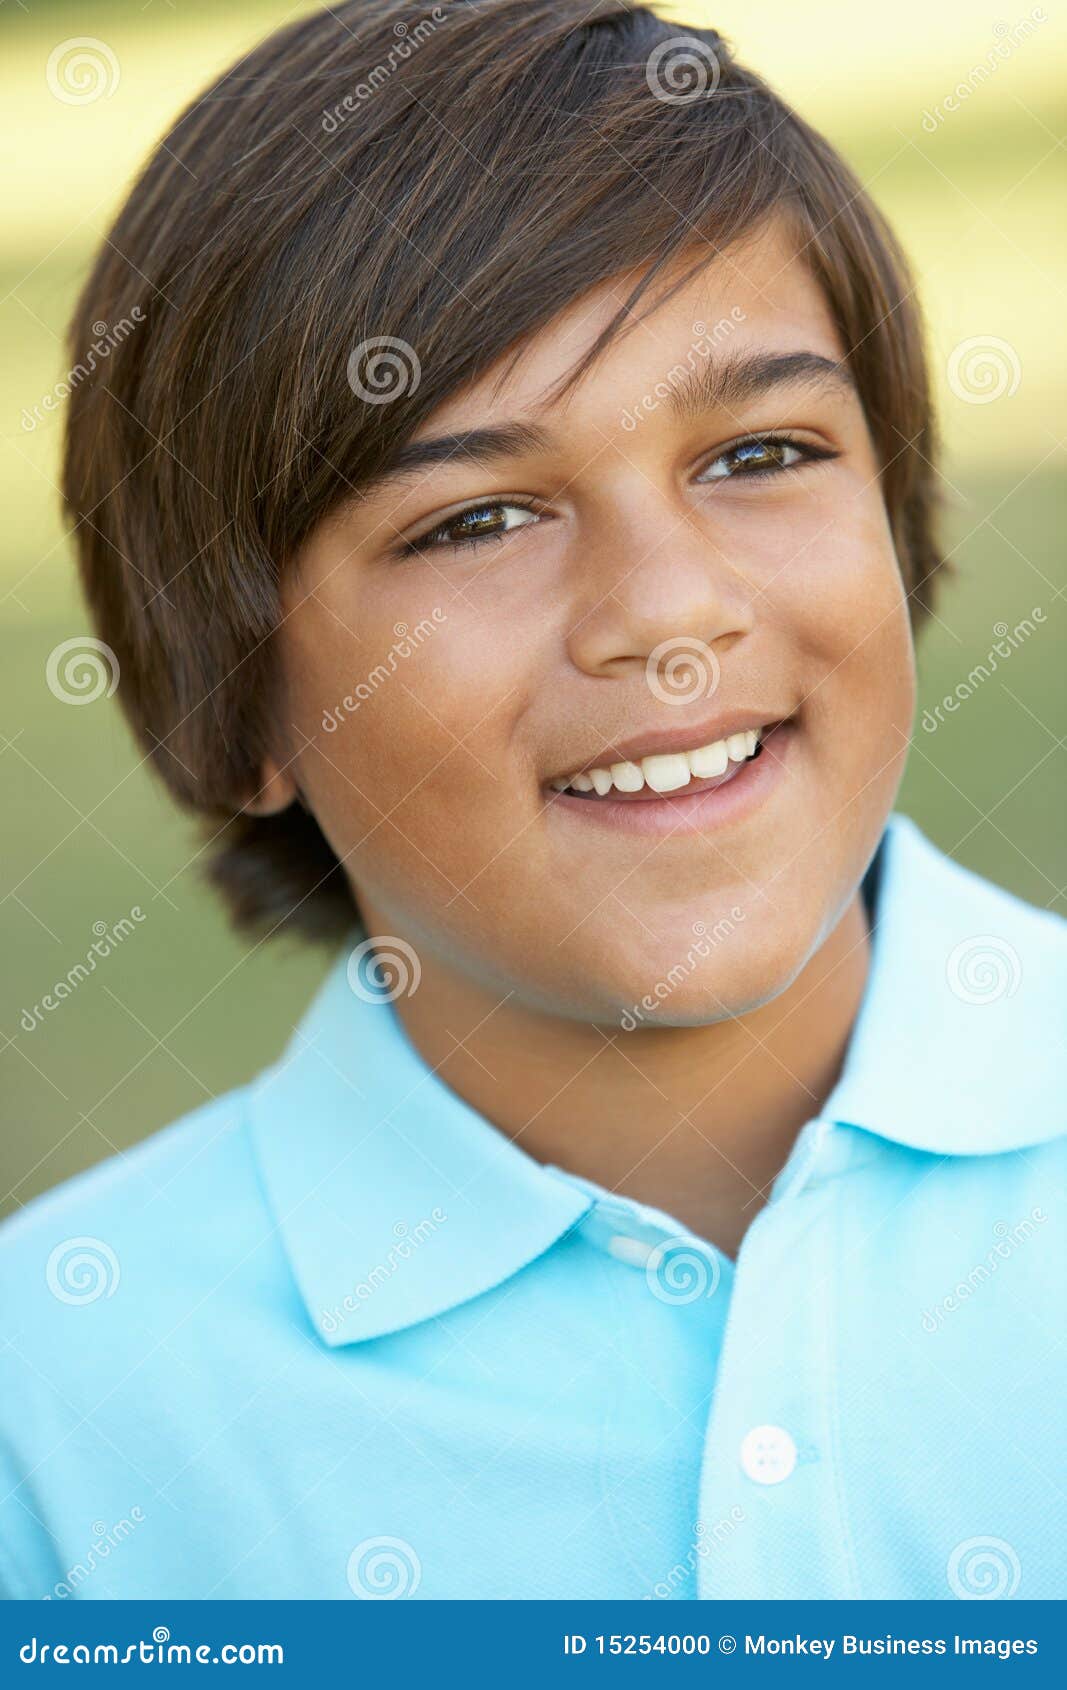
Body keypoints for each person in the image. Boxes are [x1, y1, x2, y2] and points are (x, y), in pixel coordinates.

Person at [1, 0, 1062, 1602]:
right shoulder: (60, 1413)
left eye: (761, 453)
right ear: (237, 701)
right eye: (479, 516)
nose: (666, 611)